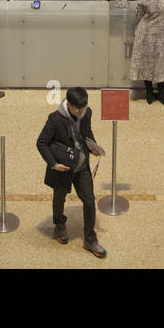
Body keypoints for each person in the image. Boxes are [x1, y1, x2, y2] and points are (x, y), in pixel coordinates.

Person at [36, 86, 106, 257]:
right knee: (59, 199)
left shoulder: (86, 113)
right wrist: (53, 164)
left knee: (89, 202)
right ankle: (59, 225)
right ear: (70, 105)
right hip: (62, 168)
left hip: (81, 166)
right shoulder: (55, 119)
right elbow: (41, 143)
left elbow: (86, 132)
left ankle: (90, 239)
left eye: (84, 108)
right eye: (78, 109)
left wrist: (93, 147)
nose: (81, 112)